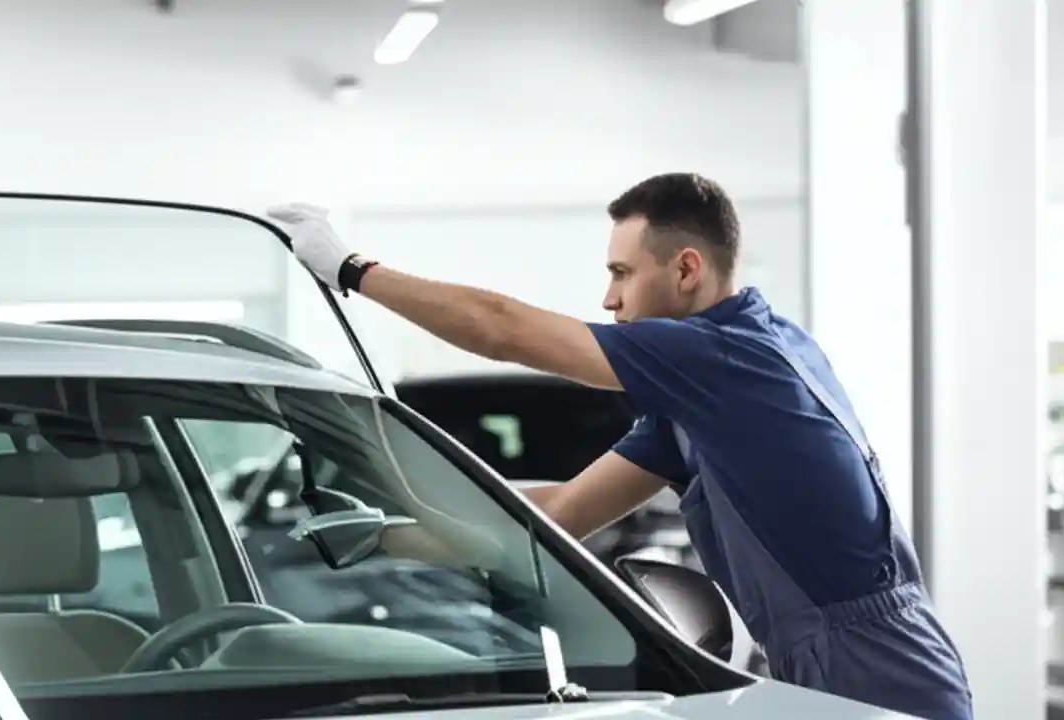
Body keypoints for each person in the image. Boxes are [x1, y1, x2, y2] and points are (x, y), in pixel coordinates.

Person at [266, 172, 973, 720]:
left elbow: (503, 327)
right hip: (831, 656)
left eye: (621, 273)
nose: (609, 299)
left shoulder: (728, 359)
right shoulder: (704, 394)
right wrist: (389, 535)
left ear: (687, 269)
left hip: (872, 664)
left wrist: (352, 268)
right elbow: (560, 513)